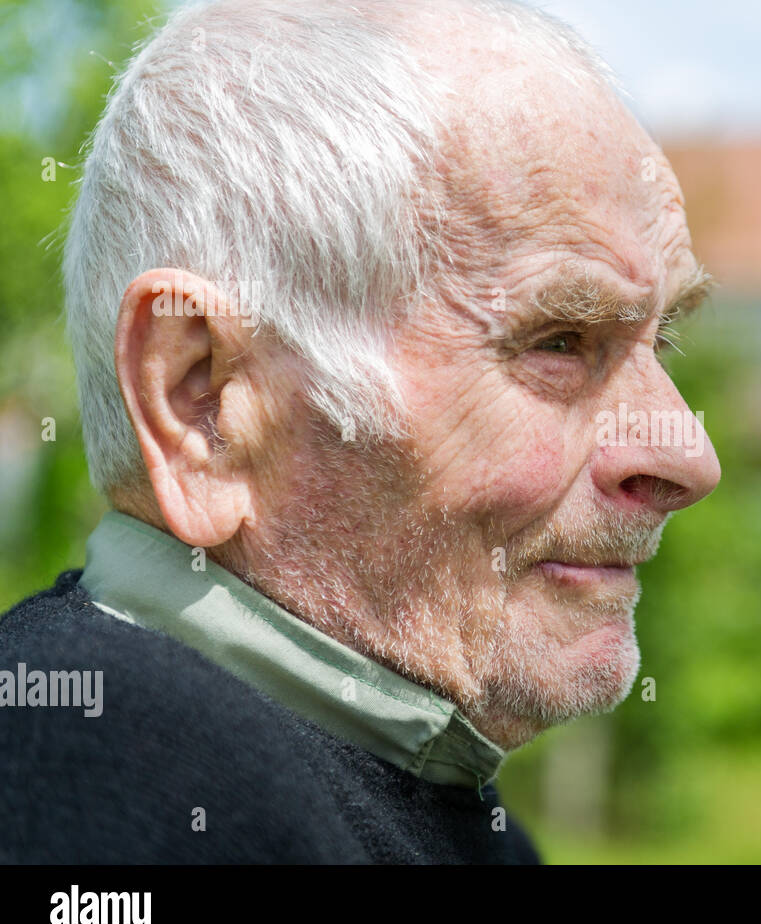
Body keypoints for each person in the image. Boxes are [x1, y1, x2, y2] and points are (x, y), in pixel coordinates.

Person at [0, 0, 720, 864]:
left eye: (662, 338)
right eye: (561, 342)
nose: (689, 455)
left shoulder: (429, 803)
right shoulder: (93, 796)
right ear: (203, 400)